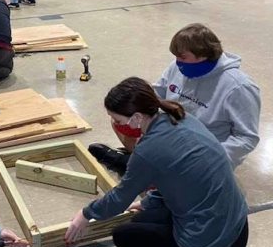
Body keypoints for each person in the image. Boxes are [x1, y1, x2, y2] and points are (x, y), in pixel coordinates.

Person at [64, 78, 271, 247]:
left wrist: (86, 214)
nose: (115, 123)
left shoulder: (147, 151)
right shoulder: (182, 118)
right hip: (237, 227)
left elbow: (118, 199)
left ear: (137, 118)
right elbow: (180, 176)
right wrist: (148, 201)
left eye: (117, 119)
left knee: (124, 239)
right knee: (142, 217)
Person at [88, 24, 261, 175]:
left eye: (183, 57)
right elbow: (156, 93)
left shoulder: (239, 87)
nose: (177, 62)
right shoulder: (179, 66)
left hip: (203, 150)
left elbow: (246, 138)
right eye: (176, 56)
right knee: (120, 120)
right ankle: (140, 162)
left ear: (203, 55)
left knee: (165, 186)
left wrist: (213, 158)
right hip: (173, 134)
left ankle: (132, 164)